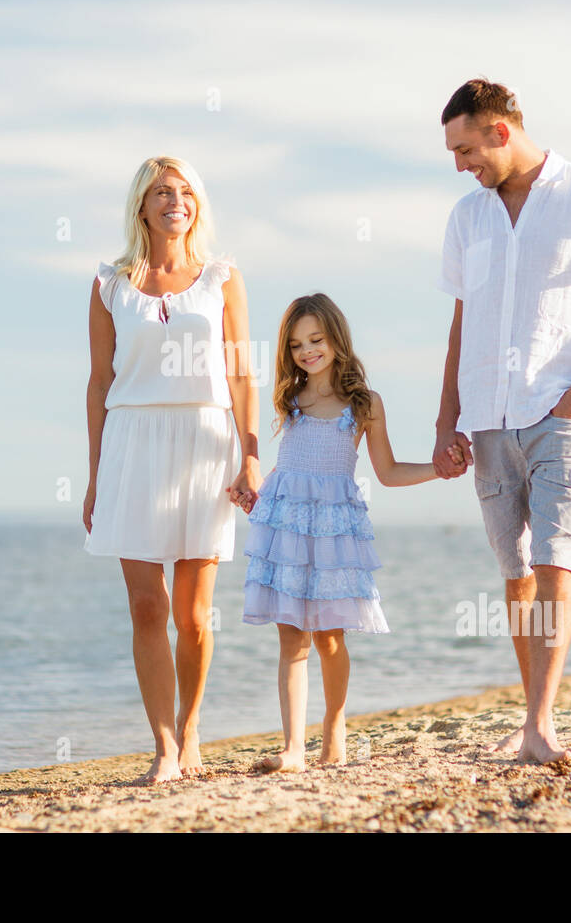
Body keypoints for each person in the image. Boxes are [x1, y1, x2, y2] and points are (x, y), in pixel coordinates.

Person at [432, 78, 571, 764]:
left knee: (558, 562)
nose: (461, 165)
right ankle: (531, 718)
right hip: (489, 417)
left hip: (564, 411)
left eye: (466, 149)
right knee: (516, 572)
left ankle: (542, 723)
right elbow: (461, 325)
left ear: (500, 130)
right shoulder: (467, 218)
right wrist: (446, 420)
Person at [84, 156, 260, 784]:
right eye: (161, 191)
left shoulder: (221, 277)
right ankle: (162, 746)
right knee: (145, 607)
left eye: (184, 192)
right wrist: (95, 474)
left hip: (203, 438)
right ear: (142, 204)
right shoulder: (110, 283)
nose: (174, 201)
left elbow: (241, 371)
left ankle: (190, 731)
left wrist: (251, 455)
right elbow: (100, 380)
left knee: (192, 613)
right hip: (133, 439)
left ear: (197, 205)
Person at [235, 293, 443, 774]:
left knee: (329, 637)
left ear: (336, 340)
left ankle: (334, 728)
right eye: (296, 345)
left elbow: (387, 472)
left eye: (316, 340)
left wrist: (438, 469)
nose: (307, 351)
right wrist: (254, 496)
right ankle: (292, 748)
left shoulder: (364, 404)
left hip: (332, 531)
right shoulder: (290, 400)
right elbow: (287, 473)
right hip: (286, 528)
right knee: (291, 637)